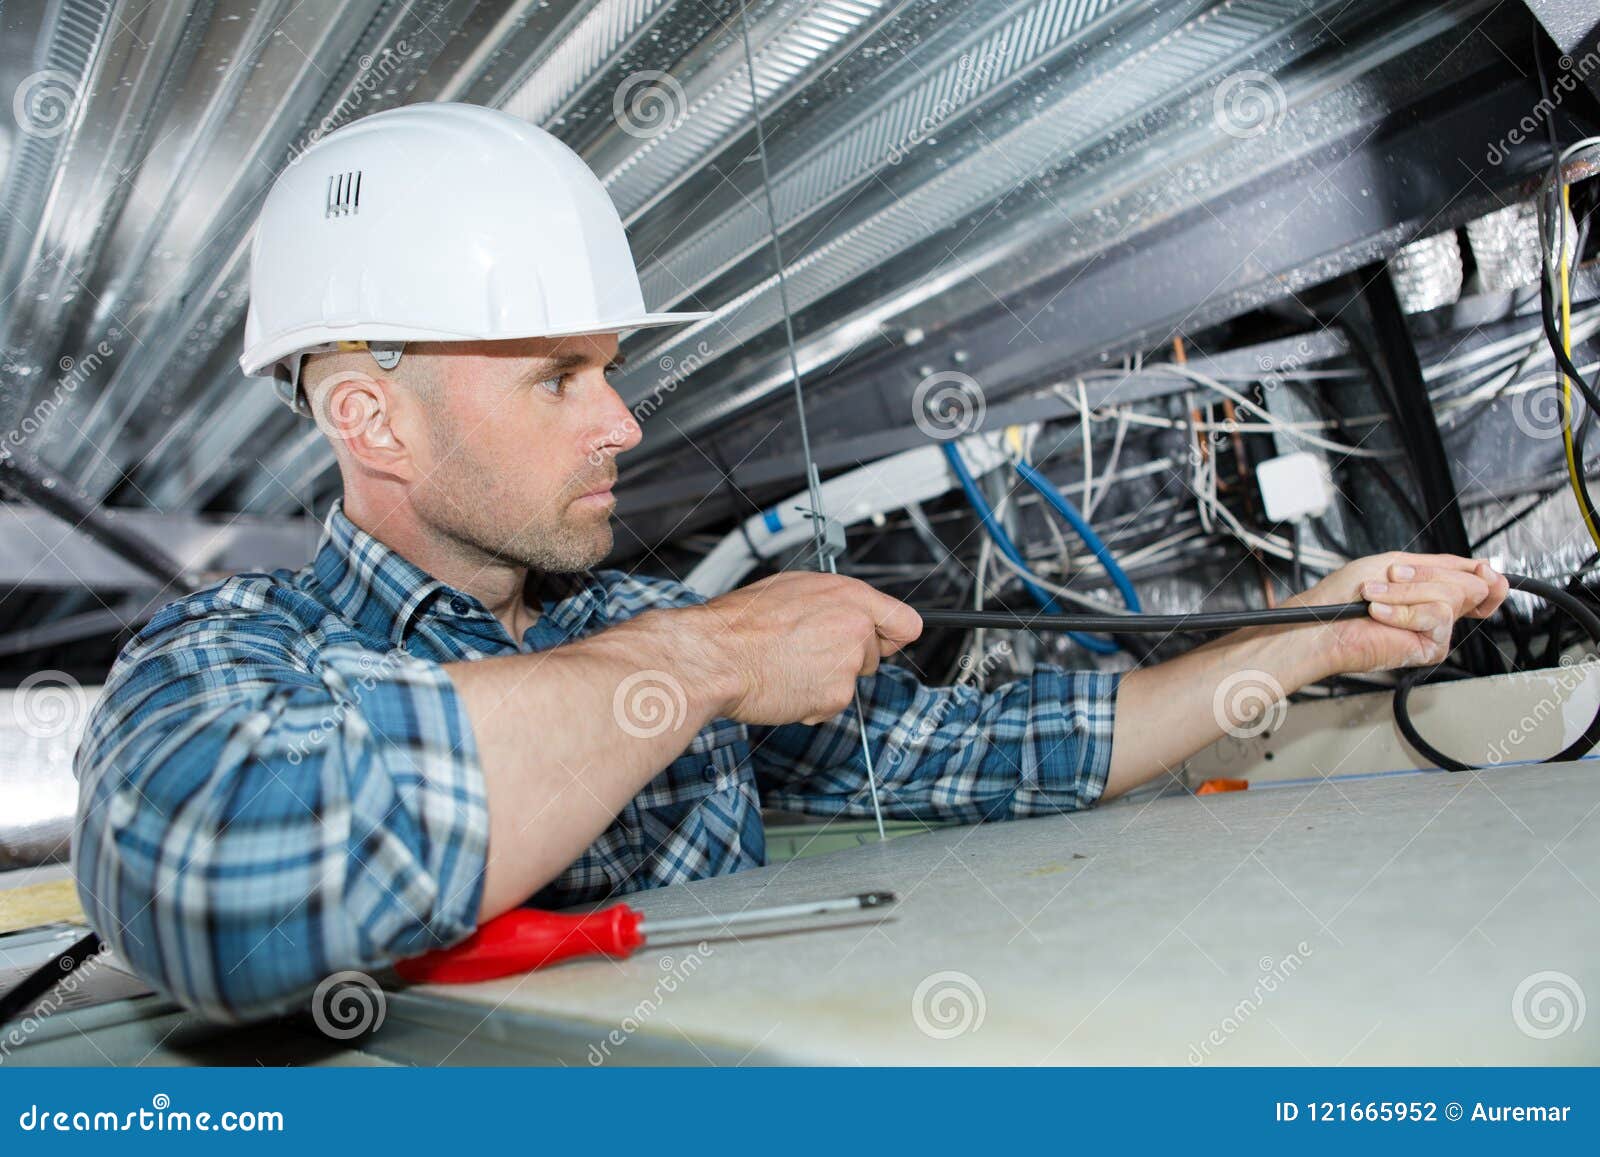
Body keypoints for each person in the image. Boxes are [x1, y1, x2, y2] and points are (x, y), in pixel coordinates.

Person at [72, 104, 1508, 1021]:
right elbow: (222, 889)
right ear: (369, 415)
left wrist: (1321, 637)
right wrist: (710, 658)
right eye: (558, 376)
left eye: (612, 368)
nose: (624, 421)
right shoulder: (229, 662)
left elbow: (1025, 745)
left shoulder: (643, 622)